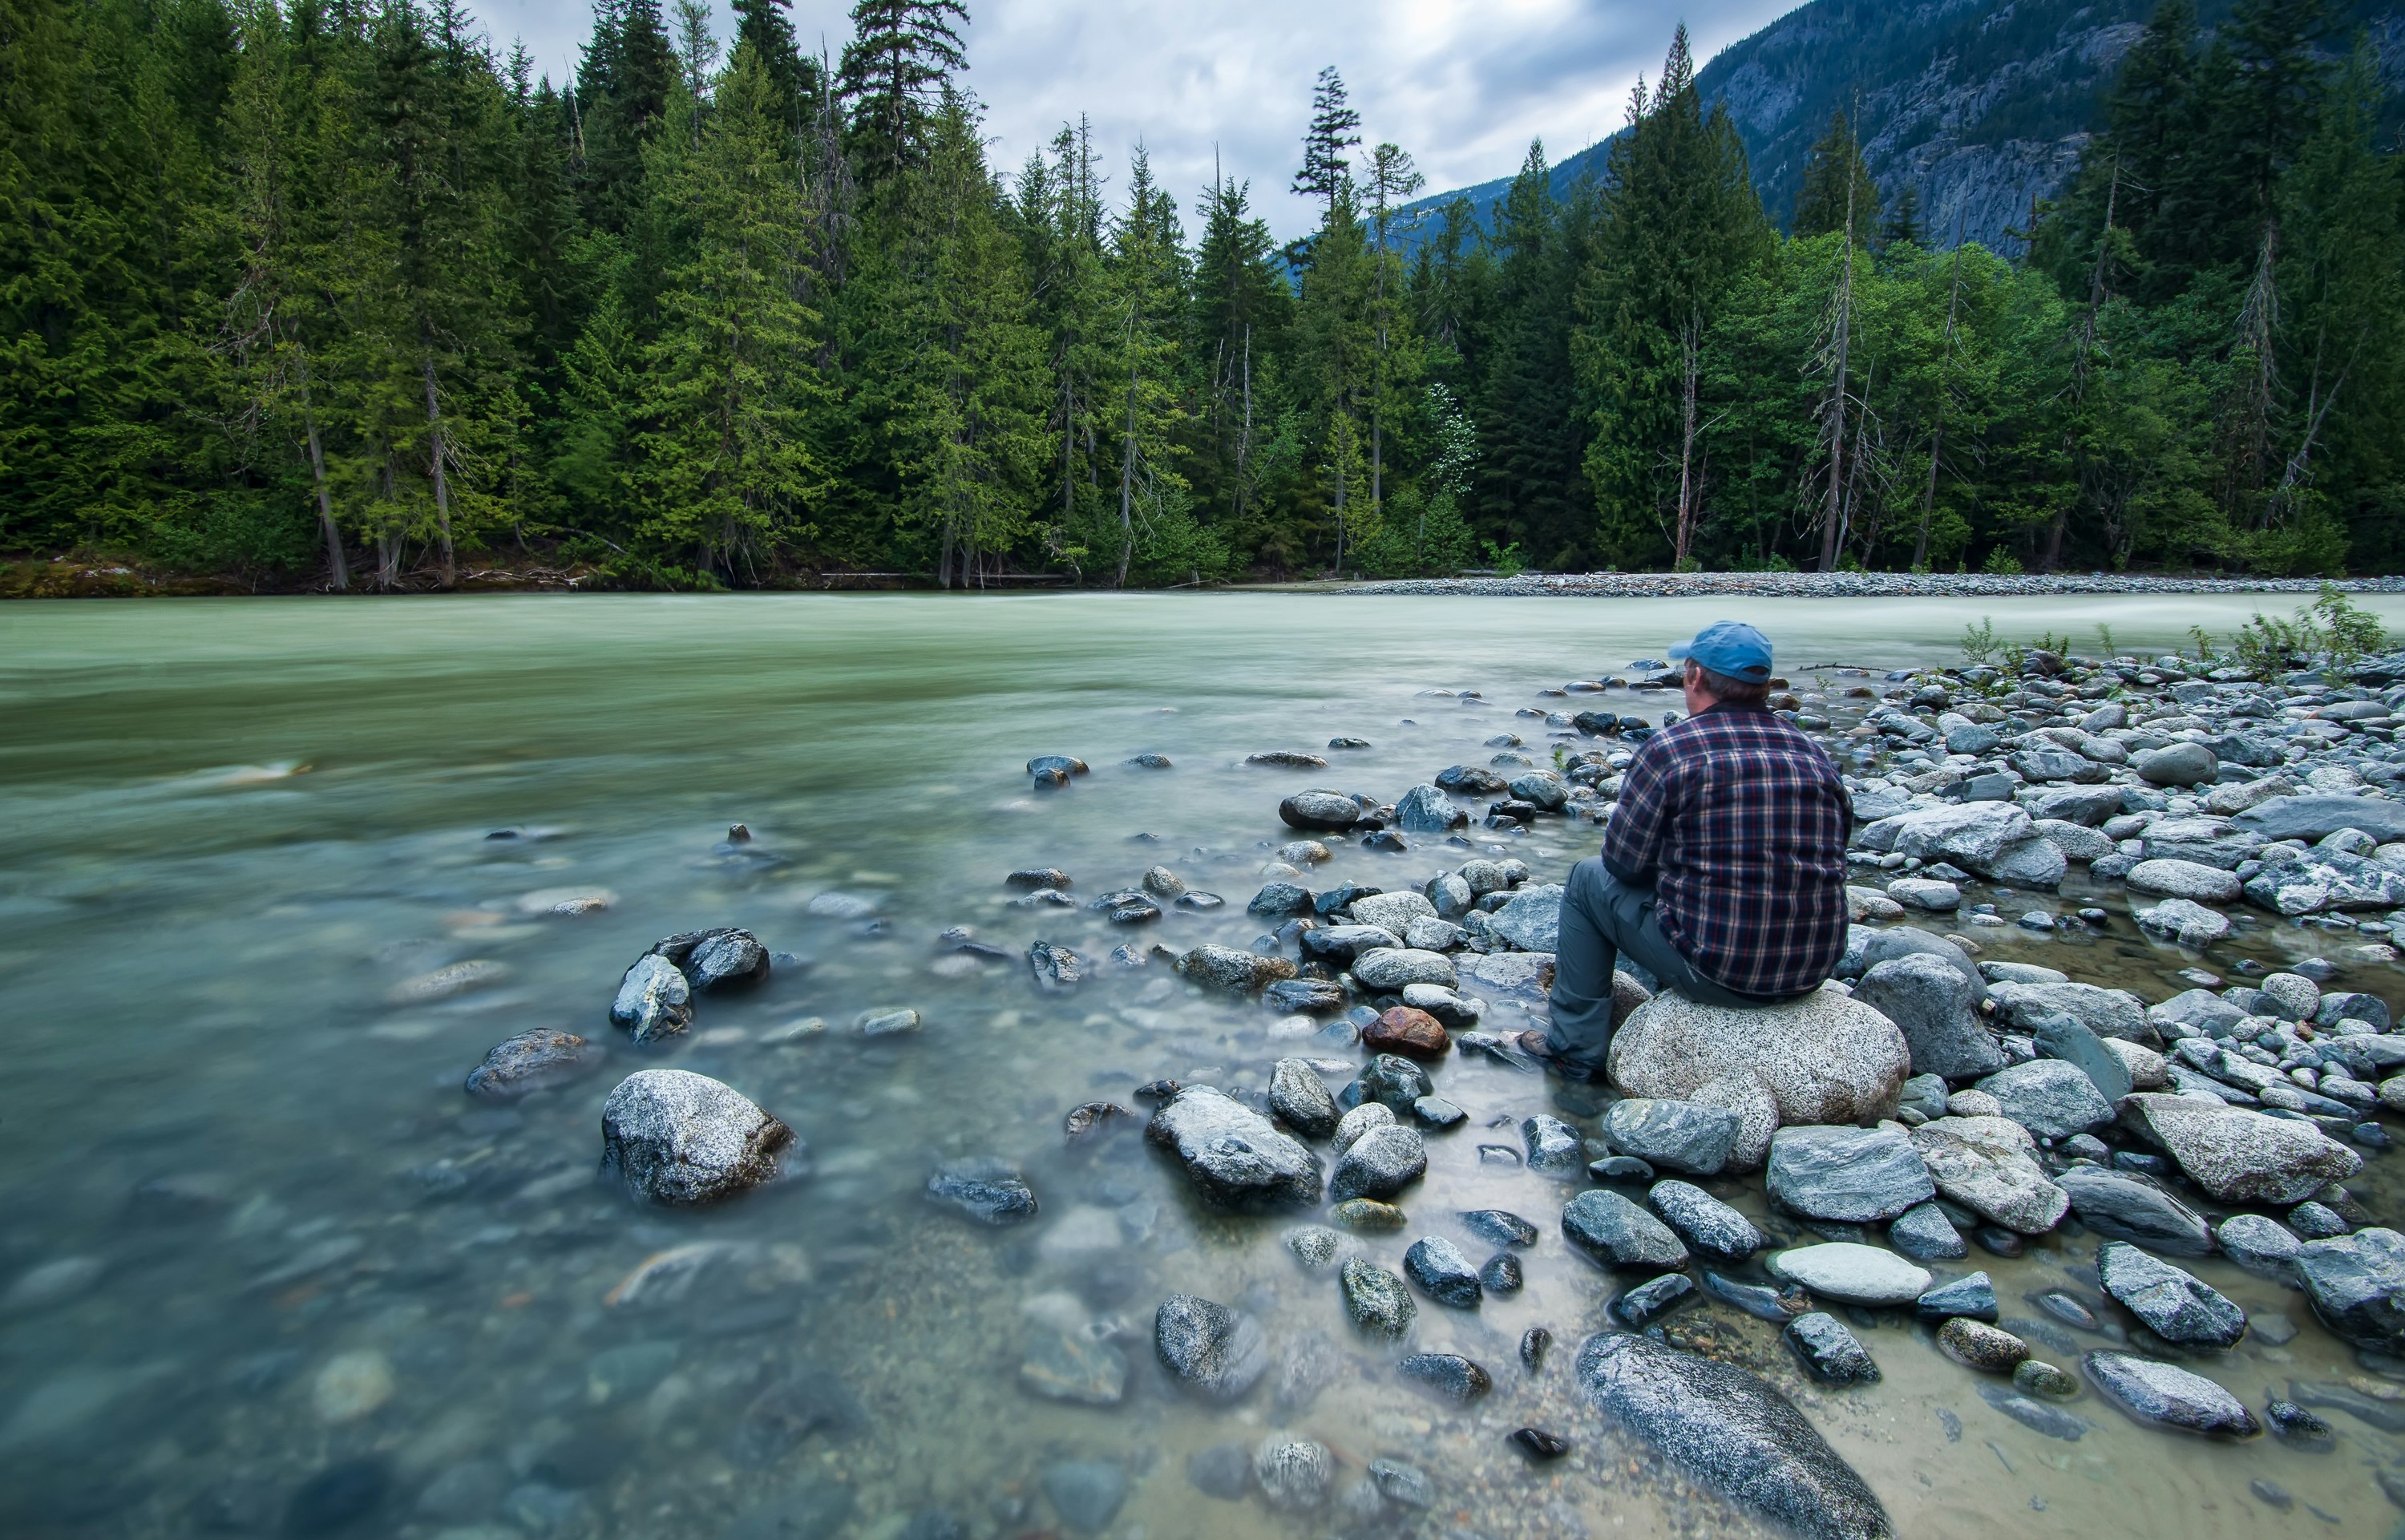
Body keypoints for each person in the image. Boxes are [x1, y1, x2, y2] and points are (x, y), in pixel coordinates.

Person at [1520, 620, 1851, 1080]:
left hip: (1722, 973)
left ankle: (1573, 1050)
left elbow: (1622, 864)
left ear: (1694, 677)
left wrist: (1677, 863)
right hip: (1812, 968)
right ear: (1763, 685)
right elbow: (1832, 848)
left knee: (1585, 879)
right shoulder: (1811, 752)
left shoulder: (1672, 750)